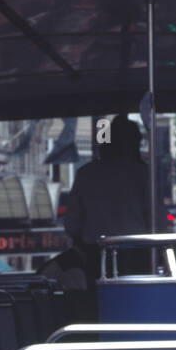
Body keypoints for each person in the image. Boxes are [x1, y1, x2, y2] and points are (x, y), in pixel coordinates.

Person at [62, 114, 151, 312]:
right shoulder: (142, 174)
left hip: (97, 257)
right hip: (138, 255)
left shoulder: (86, 174)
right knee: (138, 307)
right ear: (133, 144)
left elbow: (72, 224)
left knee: (101, 308)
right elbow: (159, 222)